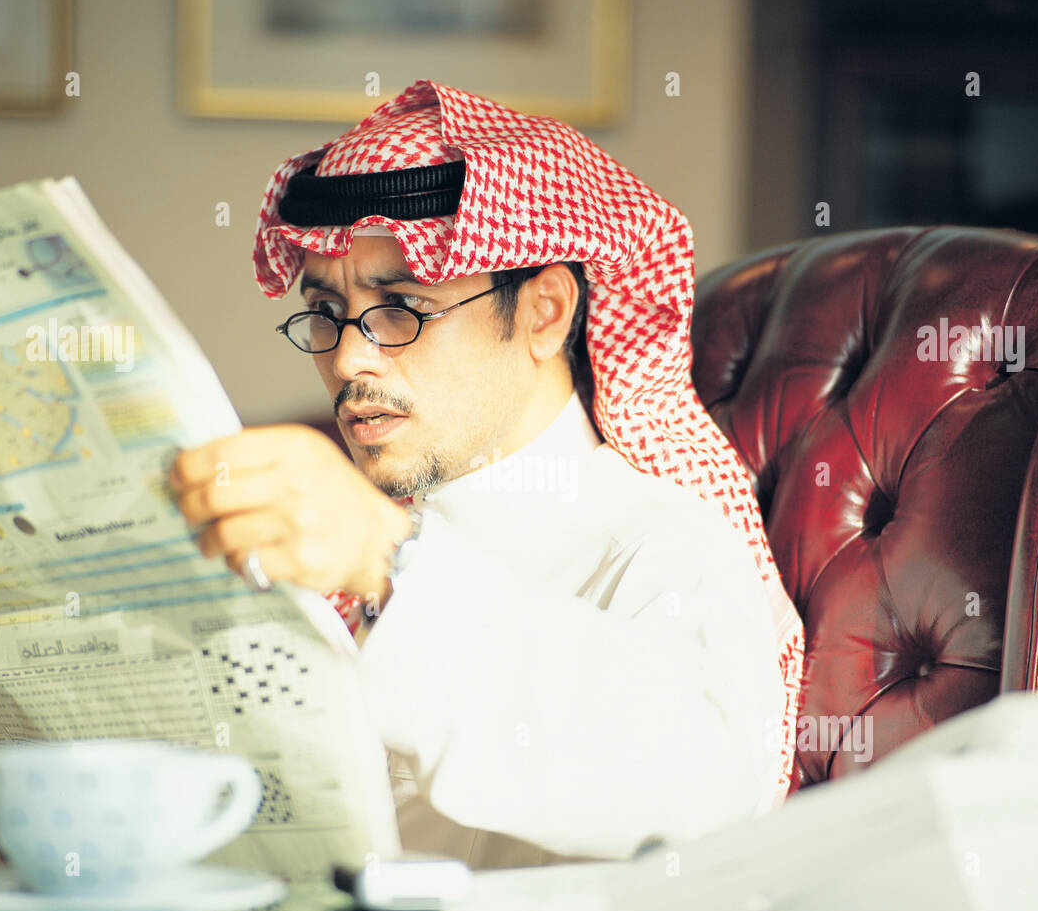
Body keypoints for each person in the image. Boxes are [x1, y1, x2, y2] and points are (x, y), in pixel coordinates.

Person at [169, 80, 805, 869]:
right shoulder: (337, 539)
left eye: (401, 305)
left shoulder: (667, 548)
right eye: (326, 311)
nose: (345, 356)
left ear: (544, 314)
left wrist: (390, 565)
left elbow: (704, 799)